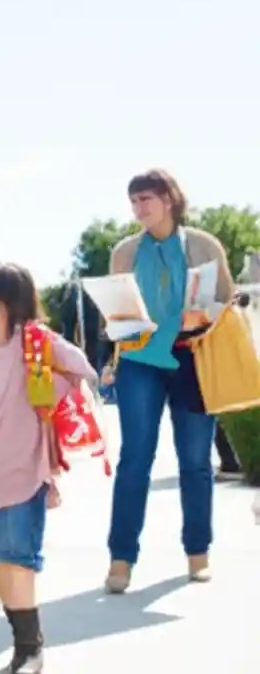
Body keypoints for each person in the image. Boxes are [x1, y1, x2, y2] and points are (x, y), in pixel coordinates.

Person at [0, 263, 95, 674]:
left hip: (23, 470)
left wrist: (47, 390)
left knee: (17, 560)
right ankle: (25, 643)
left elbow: (83, 371)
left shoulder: (36, 343)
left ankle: (29, 649)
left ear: (6, 303)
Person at [105, 170, 236, 593]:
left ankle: (198, 552)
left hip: (192, 358)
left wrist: (202, 315)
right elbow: (115, 308)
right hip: (140, 360)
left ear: (169, 199)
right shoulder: (124, 252)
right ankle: (121, 559)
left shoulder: (202, 244)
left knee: (196, 461)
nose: (139, 208)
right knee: (134, 460)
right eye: (134, 201)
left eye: (146, 199)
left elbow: (224, 299)